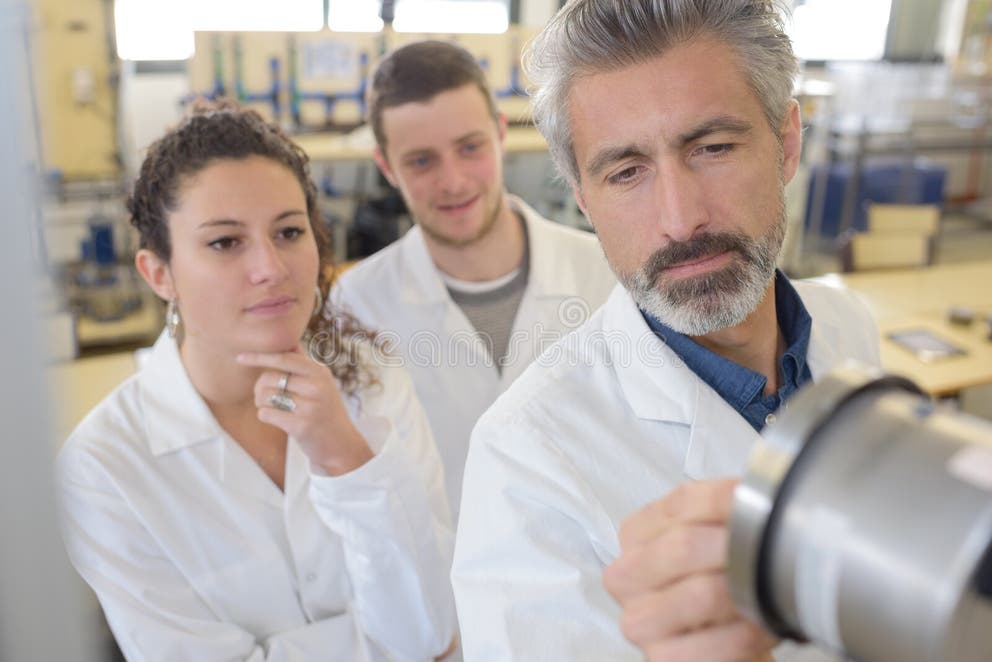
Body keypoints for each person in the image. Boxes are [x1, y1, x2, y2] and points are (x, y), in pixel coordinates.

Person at [451, 2, 880, 661]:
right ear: (585, 198)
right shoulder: (527, 458)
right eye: (627, 172)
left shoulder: (849, 329)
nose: (680, 220)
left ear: (787, 143)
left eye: (711, 148)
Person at [57, 101, 456, 661]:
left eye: (289, 231)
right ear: (159, 273)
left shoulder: (374, 382)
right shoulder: (105, 466)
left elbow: (431, 635)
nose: (270, 267)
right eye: (225, 242)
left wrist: (345, 457)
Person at [330, 40, 616, 519]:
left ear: (499, 133)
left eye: (469, 147)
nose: (454, 180)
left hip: (592, 576)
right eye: (422, 160)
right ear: (386, 167)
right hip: (442, 584)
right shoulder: (357, 305)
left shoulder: (603, 274)